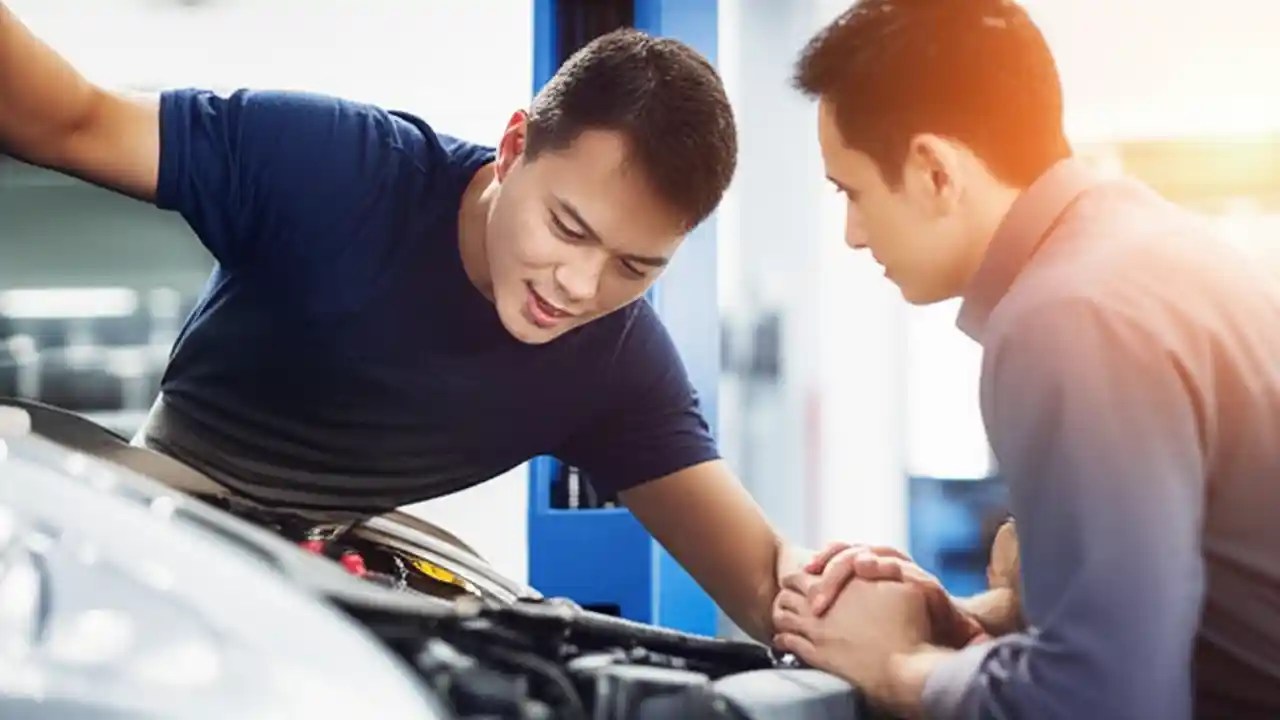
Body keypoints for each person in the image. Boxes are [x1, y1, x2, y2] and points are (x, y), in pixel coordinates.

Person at [0, 3, 807, 642]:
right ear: (516, 145)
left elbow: (768, 585)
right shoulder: (329, 170)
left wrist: (904, 628)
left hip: (348, 567)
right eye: (568, 227)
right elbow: (64, 120)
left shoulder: (618, 364)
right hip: (166, 508)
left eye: (636, 267)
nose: (580, 285)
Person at [770, 0, 1280, 718]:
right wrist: (973, 614)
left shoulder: (1069, 317)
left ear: (933, 171)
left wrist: (897, 667)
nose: (853, 234)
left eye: (851, 192)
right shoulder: (1141, 250)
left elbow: (1103, 701)